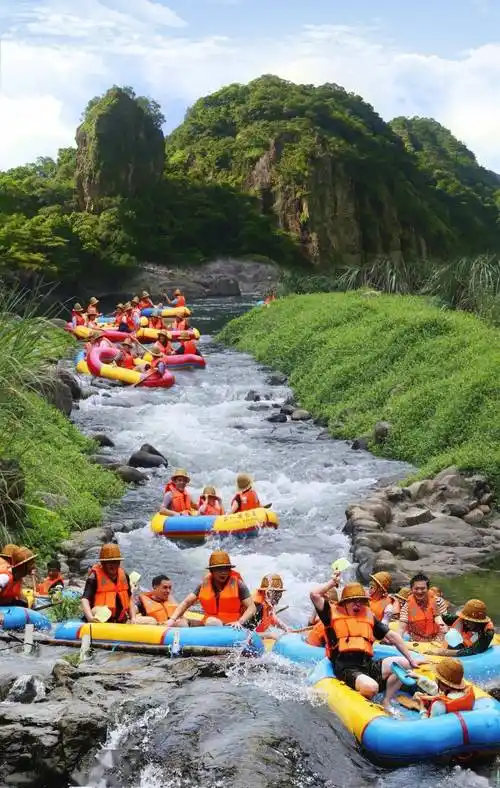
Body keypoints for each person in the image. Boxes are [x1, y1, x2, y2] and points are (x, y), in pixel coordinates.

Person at [310, 578, 423, 713]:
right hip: (345, 668)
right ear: (345, 602)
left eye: (360, 600)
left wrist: (411, 659)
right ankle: (364, 705)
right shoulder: (330, 613)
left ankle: (386, 701)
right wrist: (332, 582)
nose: (358, 604)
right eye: (354, 600)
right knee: (372, 687)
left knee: (403, 664)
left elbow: (392, 636)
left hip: (367, 665)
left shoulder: (368, 615)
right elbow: (314, 594)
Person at [164, 551, 256, 629]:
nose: (223, 572)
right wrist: (172, 619)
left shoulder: (238, 585)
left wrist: (240, 622)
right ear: (211, 571)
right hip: (208, 624)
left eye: (226, 569)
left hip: (231, 626)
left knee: (212, 622)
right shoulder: (203, 585)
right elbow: (186, 602)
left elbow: (252, 607)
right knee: (181, 623)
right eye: (219, 569)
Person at [81, 543, 136, 624]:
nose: (113, 566)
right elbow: (84, 600)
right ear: (103, 564)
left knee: (151, 621)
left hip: (120, 620)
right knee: (104, 611)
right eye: (110, 562)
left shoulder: (124, 575)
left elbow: (130, 599)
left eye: (116, 562)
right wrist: (90, 618)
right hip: (98, 617)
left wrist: (133, 618)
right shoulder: (94, 577)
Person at [424, 599, 494, 658]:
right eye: (465, 620)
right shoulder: (463, 620)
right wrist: (435, 614)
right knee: (452, 635)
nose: (466, 623)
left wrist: (443, 652)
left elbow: (475, 651)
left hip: (471, 654)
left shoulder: (488, 632)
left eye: (469, 621)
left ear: (478, 622)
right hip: (460, 645)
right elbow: (445, 618)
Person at [398, 573, 447, 642]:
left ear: (428, 589)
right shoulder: (407, 606)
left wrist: (442, 630)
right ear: (411, 589)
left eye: (423, 588)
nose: (419, 591)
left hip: (436, 638)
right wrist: (397, 641)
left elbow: (442, 620)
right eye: (416, 588)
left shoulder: (438, 601)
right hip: (416, 640)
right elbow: (401, 627)